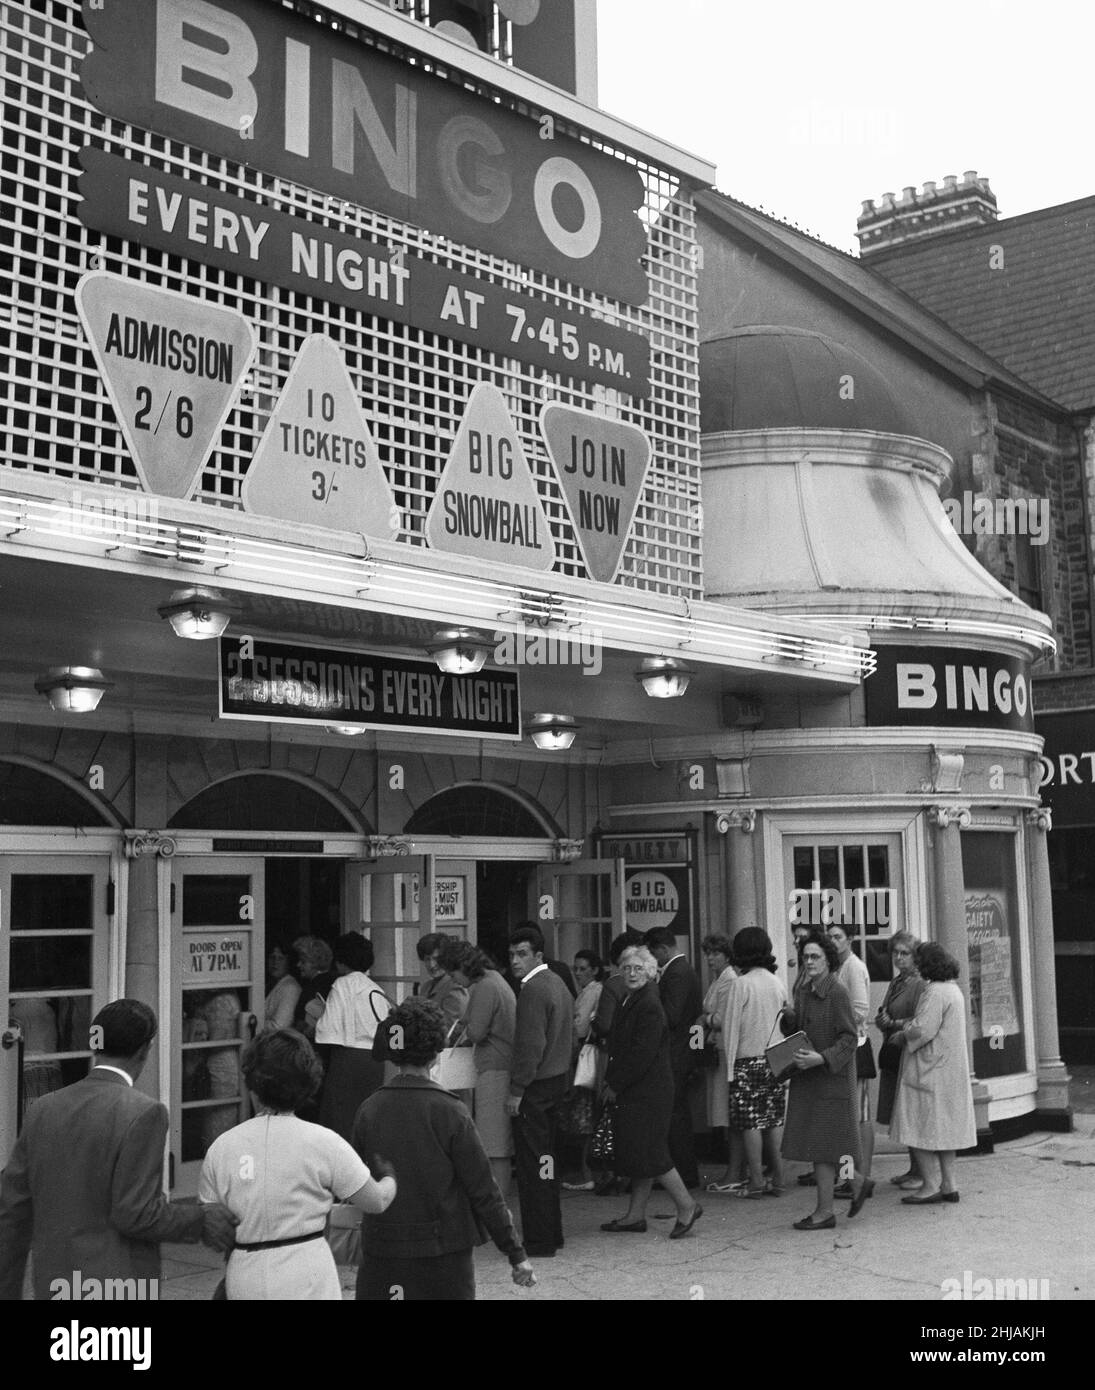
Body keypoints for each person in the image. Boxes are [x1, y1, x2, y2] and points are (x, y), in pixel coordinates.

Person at [0, 998, 237, 1300]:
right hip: (118, 1286)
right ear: (145, 1049)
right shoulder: (144, 1113)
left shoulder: (43, 1109)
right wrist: (200, 1220)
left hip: (55, 1283)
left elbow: (12, 1211)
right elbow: (136, 1214)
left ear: (96, 1043)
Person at [352, 999, 536, 1300]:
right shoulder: (451, 1111)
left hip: (383, 1249)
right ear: (437, 1054)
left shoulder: (369, 1110)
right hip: (444, 1253)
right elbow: (483, 1190)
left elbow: (357, 1183)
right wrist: (515, 1253)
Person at [199, 1029, 395, 1299]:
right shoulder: (325, 1142)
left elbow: (212, 1225)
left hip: (245, 1271)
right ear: (307, 1084)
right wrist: (389, 1179)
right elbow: (376, 1201)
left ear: (252, 1084)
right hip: (308, 1270)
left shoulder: (222, 1147)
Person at [599, 946, 702, 1238]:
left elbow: (640, 1054)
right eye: (627, 968)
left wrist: (614, 1085)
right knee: (642, 1152)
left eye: (639, 969)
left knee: (651, 1152)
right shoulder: (636, 998)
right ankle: (634, 1216)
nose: (632, 973)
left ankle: (687, 1205)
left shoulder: (648, 1004)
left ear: (651, 971)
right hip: (642, 1089)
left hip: (648, 1091)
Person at [780, 931, 866, 1230]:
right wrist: (789, 1017)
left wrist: (822, 1058)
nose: (809, 961)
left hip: (830, 1078)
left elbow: (849, 1038)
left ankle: (825, 1211)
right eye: (805, 957)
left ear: (829, 959)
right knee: (821, 1146)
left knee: (823, 1147)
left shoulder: (837, 992)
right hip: (809, 1078)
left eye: (815, 956)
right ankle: (856, 1184)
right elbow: (798, 1030)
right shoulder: (804, 990)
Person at [889, 942, 977, 1205]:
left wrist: (902, 1034)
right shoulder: (954, 990)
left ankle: (929, 1185)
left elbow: (923, 1030)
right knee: (944, 1130)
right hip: (948, 1069)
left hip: (929, 1070)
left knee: (917, 1126)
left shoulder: (934, 992)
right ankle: (949, 1184)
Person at [504, 924, 573, 1258]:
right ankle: (552, 1234)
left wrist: (516, 1090)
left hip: (535, 1086)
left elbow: (530, 1045)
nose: (515, 961)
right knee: (547, 1162)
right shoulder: (557, 982)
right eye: (512, 954)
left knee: (533, 1168)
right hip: (556, 1081)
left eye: (522, 954)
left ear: (538, 955)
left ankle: (540, 1240)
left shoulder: (532, 989)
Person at [438, 938, 516, 1196]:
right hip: (499, 1064)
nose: (454, 980)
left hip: (494, 1067)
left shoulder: (485, 987)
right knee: (495, 1142)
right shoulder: (493, 979)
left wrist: (463, 1028)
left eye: (453, 973)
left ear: (462, 967)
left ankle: (499, 1205)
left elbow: (477, 1031)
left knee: (494, 1145)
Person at [722, 927, 788, 1198]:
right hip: (777, 1057)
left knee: (750, 1123)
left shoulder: (741, 984)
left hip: (747, 1060)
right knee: (773, 1120)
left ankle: (757, 1180)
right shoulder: (777, 982)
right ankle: (780, 1176)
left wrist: (728, 1069)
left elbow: (730, 1029)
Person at [316, 933, 391, 1141]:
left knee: (341, 1122)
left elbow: (327, 1031)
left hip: (347, 1060)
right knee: (366, 1120)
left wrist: (317, 1017)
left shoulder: (342, 984)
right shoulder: (376, 989)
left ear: (339, 961)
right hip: (374, 1062)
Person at [644, 927, 703, 1189]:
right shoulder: (681, 970)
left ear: (662, 949)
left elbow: (673, 1015)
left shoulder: (676, 973)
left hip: (675, 1053)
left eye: (652, 952)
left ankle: (682, 1172)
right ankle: (681, 1172)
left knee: (674, 1114)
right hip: (681, 1051)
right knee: (676, 1113)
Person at [588, 929, 644, 1195]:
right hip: (640, 1058)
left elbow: (604, 1024)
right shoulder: (647, 982)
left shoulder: (613, 984)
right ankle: (632, 1174)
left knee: (608, 1113)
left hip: (612, 1055)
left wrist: (591, 1022)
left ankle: (610, 1172)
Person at [827, 923, 876, 1204]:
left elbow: (860, 1011)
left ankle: (861, 1174)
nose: (833, 941)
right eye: (830, 936)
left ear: (850, 939)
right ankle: (850, 1176)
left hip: (854, 1045)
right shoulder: (838, 967)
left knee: (860, 1114)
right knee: (848, 1115)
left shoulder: (854, 968)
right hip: (842, 1046)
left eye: (838, 937)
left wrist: (834, 1026)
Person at [875, 931, 925, 1187]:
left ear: (914, 955)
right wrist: (883, 1021)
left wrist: (895, 1023)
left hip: (909, 1052)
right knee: (901, 1112)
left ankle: (921, 1172)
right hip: (893, 1051)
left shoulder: (919, 983)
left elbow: (922, 1020)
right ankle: (912, 1167)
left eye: (904, 953)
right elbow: (885, 1012)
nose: (898, 957)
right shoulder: (896, 982)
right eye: (895, 952)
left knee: (910, 1111)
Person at [559, 949, 605, 1191]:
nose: (577, 973)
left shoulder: (592, 992)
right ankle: (585, 1170)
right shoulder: (585, 992)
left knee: (583, 1117)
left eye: (582, 969)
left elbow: (580, 1025)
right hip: (583, 1056)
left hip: (583, 1057)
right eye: (575, 969)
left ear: (594, 970)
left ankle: (585, 1171)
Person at [699, 934, 737, 1190]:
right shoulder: (718, 980)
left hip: (725, 1049)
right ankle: (735, 1167)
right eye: (708, 954)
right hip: (717, 1046)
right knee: (723, 1110)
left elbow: (724, 1018)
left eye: (715, 953)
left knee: (728, 1110)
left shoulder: (729, 980)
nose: (710, 959)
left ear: (726, 954)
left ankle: (736, 1169)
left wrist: (706, 1019)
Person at [415, 933, 470, 1033]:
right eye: (427, 959)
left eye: (436, 959)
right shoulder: (426, 987)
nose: (432, 965)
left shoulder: (455, 986)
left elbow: (451, 1030)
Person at [292, 935, 336, 1040]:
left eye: (303, 962)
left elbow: (302, 1024)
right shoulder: (336, 983)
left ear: (316, 963)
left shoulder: (312, 987)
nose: (298, 965)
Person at [262, 942, 301, 1032]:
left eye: (280, 958)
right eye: (272, 957)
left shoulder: (291, 988)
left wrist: (252, 1022)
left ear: (288, 962)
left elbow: (279, 1026)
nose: (275, 962)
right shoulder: (270, 983)